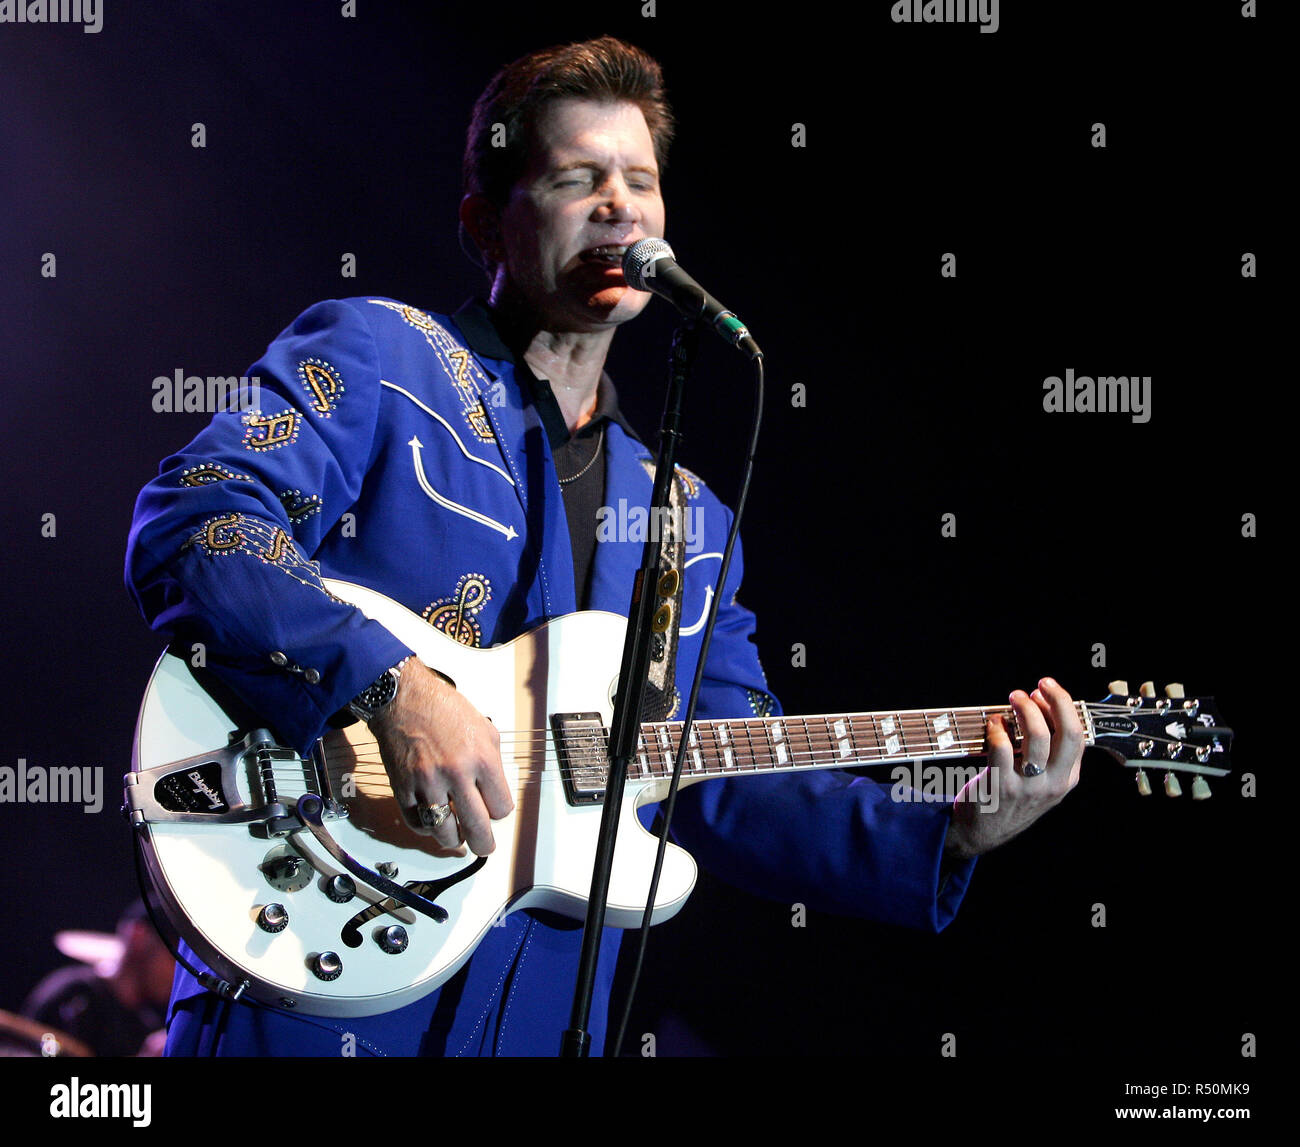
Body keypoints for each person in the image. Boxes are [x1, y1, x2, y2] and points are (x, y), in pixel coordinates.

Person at [125, 36, 1083, 1057]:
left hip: (534, 1018)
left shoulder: (688, 521)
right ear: (485, 223)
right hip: (308, 967)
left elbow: (729, 777)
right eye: (577, 178)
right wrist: (389, 685)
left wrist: (950, 830)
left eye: (640, 180)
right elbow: (198, 520)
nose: (618, 205)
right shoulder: (382, 360)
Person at [19, 901, 174, 1057]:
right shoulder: (74, 997)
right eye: (173, 958)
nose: (177, 975)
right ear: (138, 934)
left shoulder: (148, 1027)